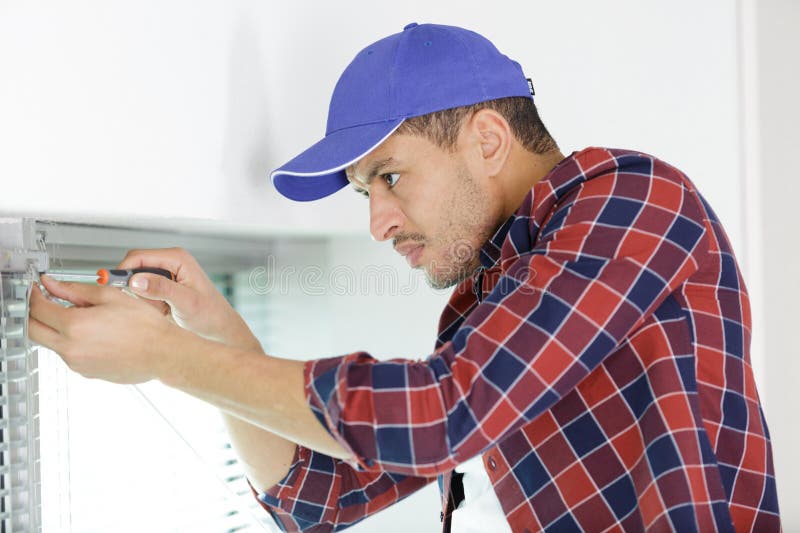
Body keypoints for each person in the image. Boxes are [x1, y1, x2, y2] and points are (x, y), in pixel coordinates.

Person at [28, 22, 780, 532]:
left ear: (489, 139)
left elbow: (441, 413)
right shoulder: (492, 297)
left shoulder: (634, 201)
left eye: (389, 176)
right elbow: (320, 499)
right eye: (365, 192)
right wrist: (214, 330)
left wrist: (164, 356)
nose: (378, 222)